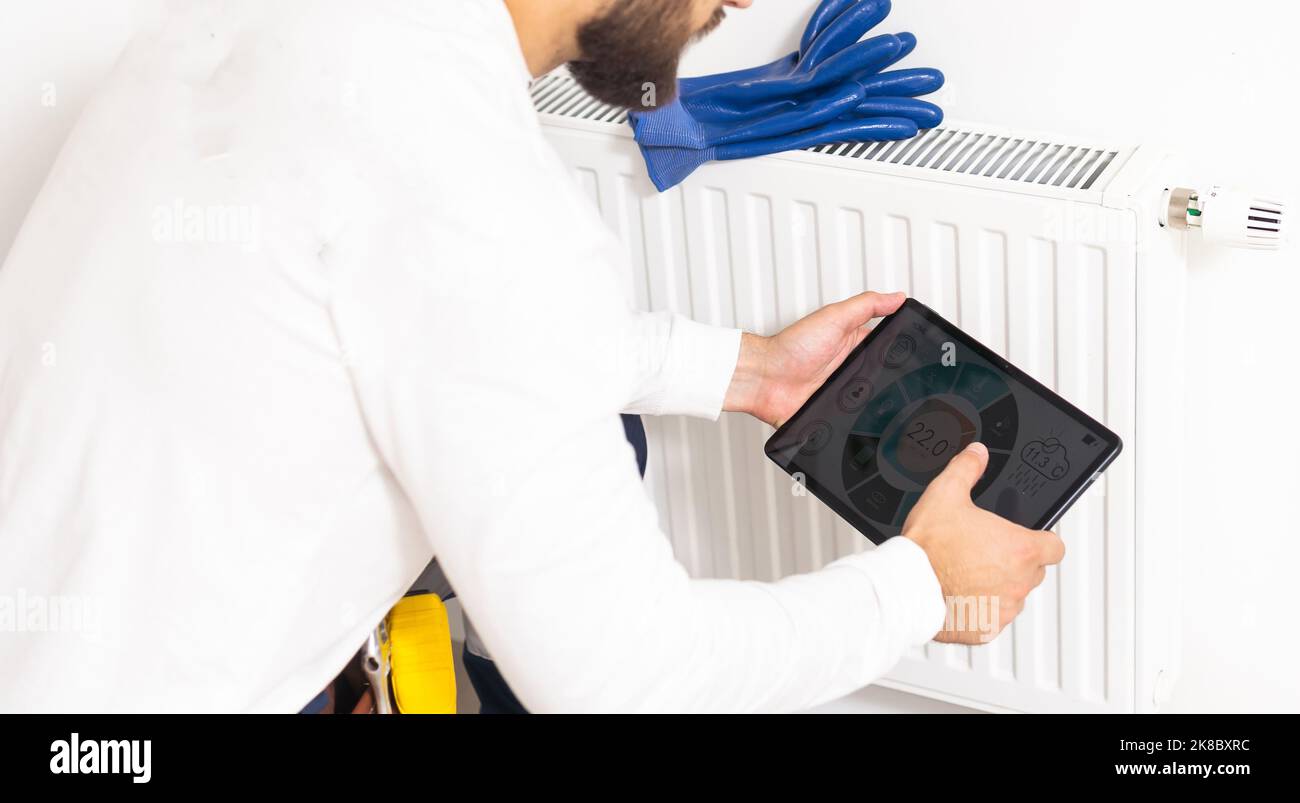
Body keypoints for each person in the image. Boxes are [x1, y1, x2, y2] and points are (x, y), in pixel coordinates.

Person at [0, 0, 1063, 713]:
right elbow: (625, 680)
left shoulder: (265, 27)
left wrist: (747, 371)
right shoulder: (474, 192)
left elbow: (414, 327)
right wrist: (924, 584)